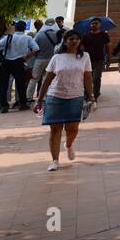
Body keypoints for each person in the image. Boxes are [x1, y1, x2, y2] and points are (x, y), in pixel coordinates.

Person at [33, 30, 92, 170]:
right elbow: (47, 80)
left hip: (75, 96)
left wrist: (91, 96)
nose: (74, 41)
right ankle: (55, 160)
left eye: (77, 38)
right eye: (71, 38)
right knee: (55, 129)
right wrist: (39, 100)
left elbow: (88, 78)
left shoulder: (85, 57)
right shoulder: (57, 58)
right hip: (55, 96)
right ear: (65, 41)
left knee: (73, 129)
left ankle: (69, 145)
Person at [0, 21, 37, 113]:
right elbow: (36, 48)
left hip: (6, 62)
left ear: (15, 28)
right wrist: (28, 57)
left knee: (4, 84)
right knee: (20, 84)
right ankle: (22, 103)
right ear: (24, 28)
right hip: (19, 62)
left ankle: (4, 106)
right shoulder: (28, 38)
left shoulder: (8, 37)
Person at [28, 20, 62, 104]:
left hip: (39, 59)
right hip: (51, 60)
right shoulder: (57, 35)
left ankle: (28, 97)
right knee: (47, 79)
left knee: (34, 79)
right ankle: (45, 96)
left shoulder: (39, 34)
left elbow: (33, 47)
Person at [79, 17, 111, 102]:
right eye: (92, 23)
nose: (94, 24)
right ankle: (87, 94)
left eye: (96, 23)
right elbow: (81, 47)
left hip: (99, 60)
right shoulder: (85, 35)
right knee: (87, 78)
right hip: (87, 60)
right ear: (90, 25)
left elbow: (108, 47)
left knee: (96, 78)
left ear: (100, 25)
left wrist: (109, 59)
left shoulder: (104, 35)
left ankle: (95, 95)